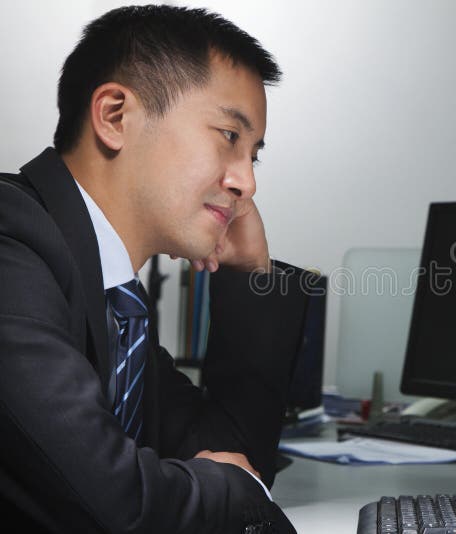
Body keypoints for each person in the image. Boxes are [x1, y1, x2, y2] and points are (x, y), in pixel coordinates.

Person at [0, 5, 310, 533]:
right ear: (116, 116)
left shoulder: (118, 307)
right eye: (229, 137)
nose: (247, 184)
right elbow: (112, 505)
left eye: (254, 155)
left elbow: (235, 455)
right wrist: (228, 487)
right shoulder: (11, 242)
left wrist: (250, 276)